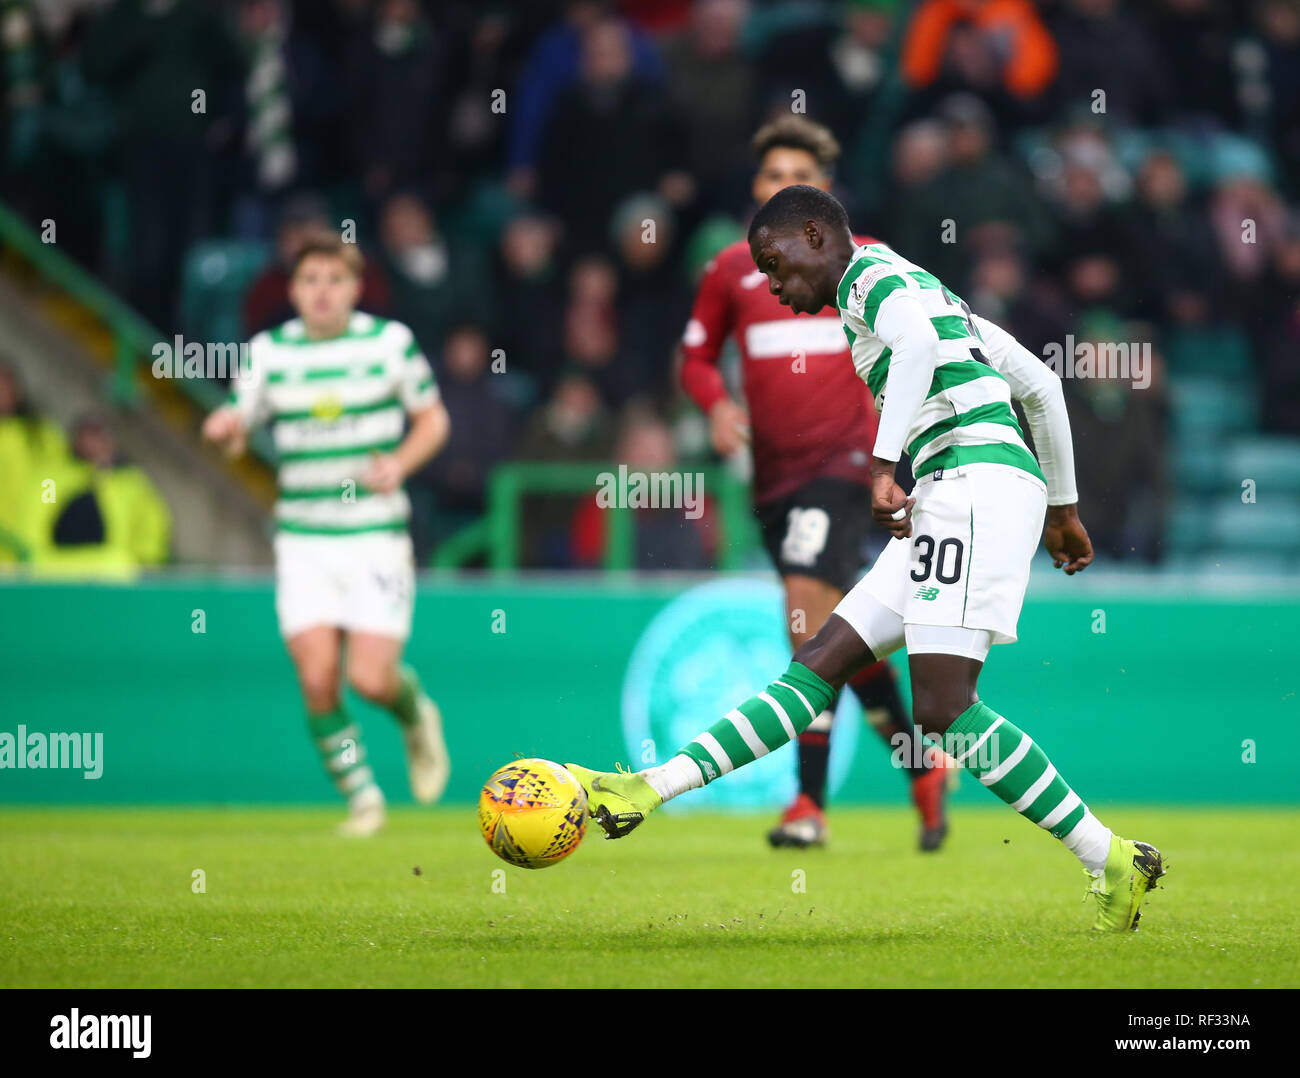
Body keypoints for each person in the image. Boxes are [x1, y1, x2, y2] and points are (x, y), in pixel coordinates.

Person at [568, 186, 1167, 932]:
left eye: (777, 265)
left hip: (968, 489)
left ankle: (1109, 858)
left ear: (816, 235)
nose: (775, 287)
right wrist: (1062, 509)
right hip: (963, 494)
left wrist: (885, 467)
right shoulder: (923, 288)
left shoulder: (872, 279)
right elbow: (1041, 386)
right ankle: (648, 789)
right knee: (817, 665)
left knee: (945, 707)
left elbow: (919, 350)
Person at [680, 116, 947, 851]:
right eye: (768, 176)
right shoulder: (732, 271)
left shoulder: (864, 267)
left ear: (821, 194)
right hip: (772, 481)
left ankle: (807, 802)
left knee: (804, 624)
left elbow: (922, 343)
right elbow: (695, 359)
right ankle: (923, 766)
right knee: (836, 638)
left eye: (794, 175)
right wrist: (716, 406)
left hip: (844, 470)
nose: (778, 186)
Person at [203, 231, 451, 837]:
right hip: (304, 539)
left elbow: (433, 418)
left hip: (373, 536)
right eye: (310, 280)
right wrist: (227, 427)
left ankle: (415, 711)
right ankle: (362, 797)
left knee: (368, 680)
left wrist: (401, 462)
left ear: (355, 287)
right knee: (316, 678)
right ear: (292, 289)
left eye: (334, 280)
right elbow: (241, 426)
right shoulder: (269, 353)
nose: (322, 292)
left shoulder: (389, 343)